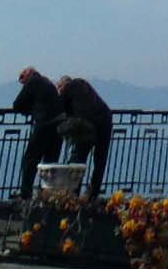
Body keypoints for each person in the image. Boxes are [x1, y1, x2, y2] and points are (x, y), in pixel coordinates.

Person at [57, 74, 113, 202]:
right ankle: (93, 193)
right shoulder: (83, 86)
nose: (59, 90)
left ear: (64, 84)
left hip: (87, 125)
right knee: (100, 160)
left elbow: (58, 107)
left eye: (59, 86)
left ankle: (72, 192)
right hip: (104, 121)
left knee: (77, 159)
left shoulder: (69, 88)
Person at [12, 65, 66, 200]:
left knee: (30, 159)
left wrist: (30, 110)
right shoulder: (47, 82)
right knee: (50, 163)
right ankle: (47, 196)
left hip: (45, 125)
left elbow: (17, 104)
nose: (21, 81)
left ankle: (25, 195)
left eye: (22, 78)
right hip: (59, 126)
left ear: (28, 74)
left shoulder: (33, 82)